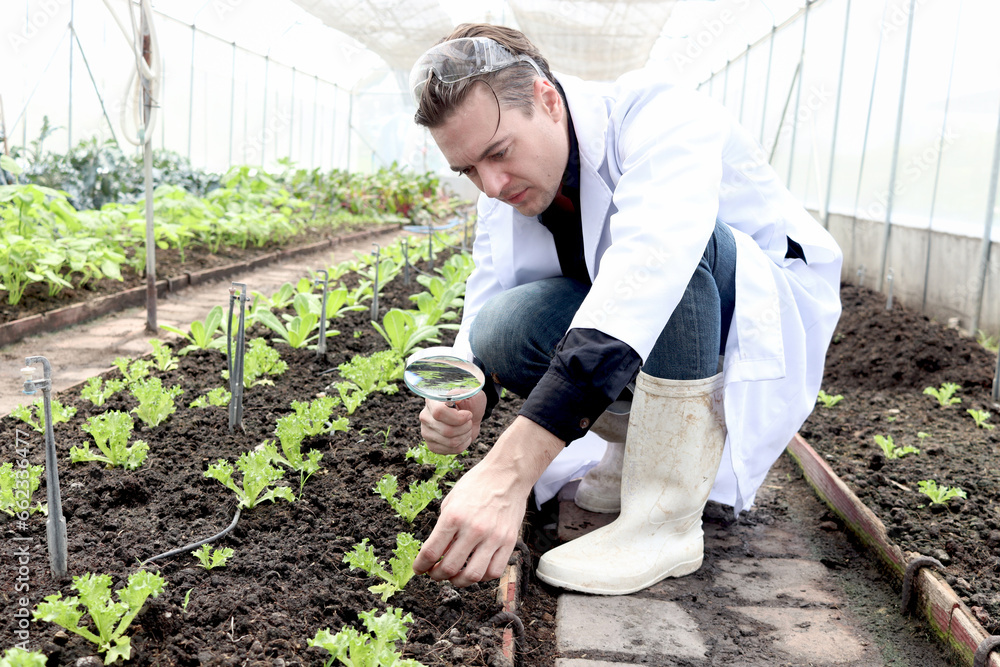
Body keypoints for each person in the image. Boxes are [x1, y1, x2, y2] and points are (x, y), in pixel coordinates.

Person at [407, 23, 842, 595]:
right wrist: (471, 394)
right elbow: (490, 297)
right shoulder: (506, 184)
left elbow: (648, 272)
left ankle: (665, 519)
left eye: (497, 154)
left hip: (750, 312)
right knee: (502, 330)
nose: (489, 184)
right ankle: (639, 450)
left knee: (682, 255)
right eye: (468, 170)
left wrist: (509, 472)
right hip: (648, 320)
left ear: (546, 99)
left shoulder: (657, 114)